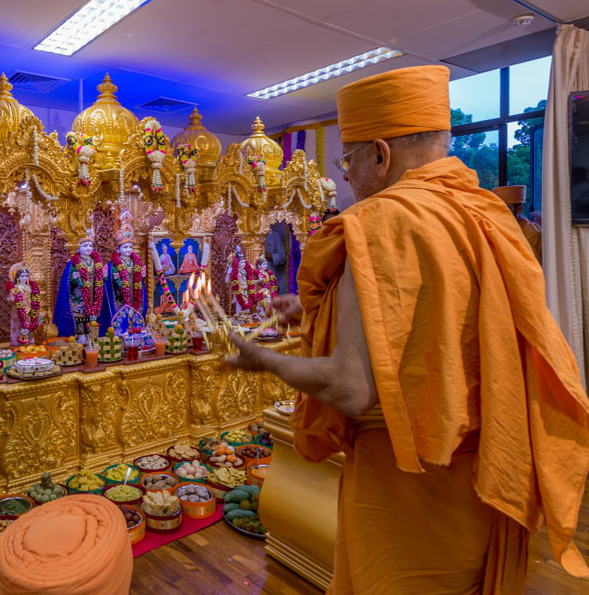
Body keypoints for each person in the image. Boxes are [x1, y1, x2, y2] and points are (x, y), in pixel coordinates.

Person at [226, 65, 589, 593]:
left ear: (380, 154)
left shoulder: (382, 224)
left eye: (347, 159)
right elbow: (434, 315)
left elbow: (351, 388)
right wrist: (319, 311)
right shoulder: (484, 215)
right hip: (480, 474)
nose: (346, 175)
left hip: (406, 478)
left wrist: (263, 359)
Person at [493, 185, 542, 264]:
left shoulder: (533, 235)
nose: (500, 213)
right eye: (497, 208)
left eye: (505, 208)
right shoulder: (495, 230)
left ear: (519, 209)